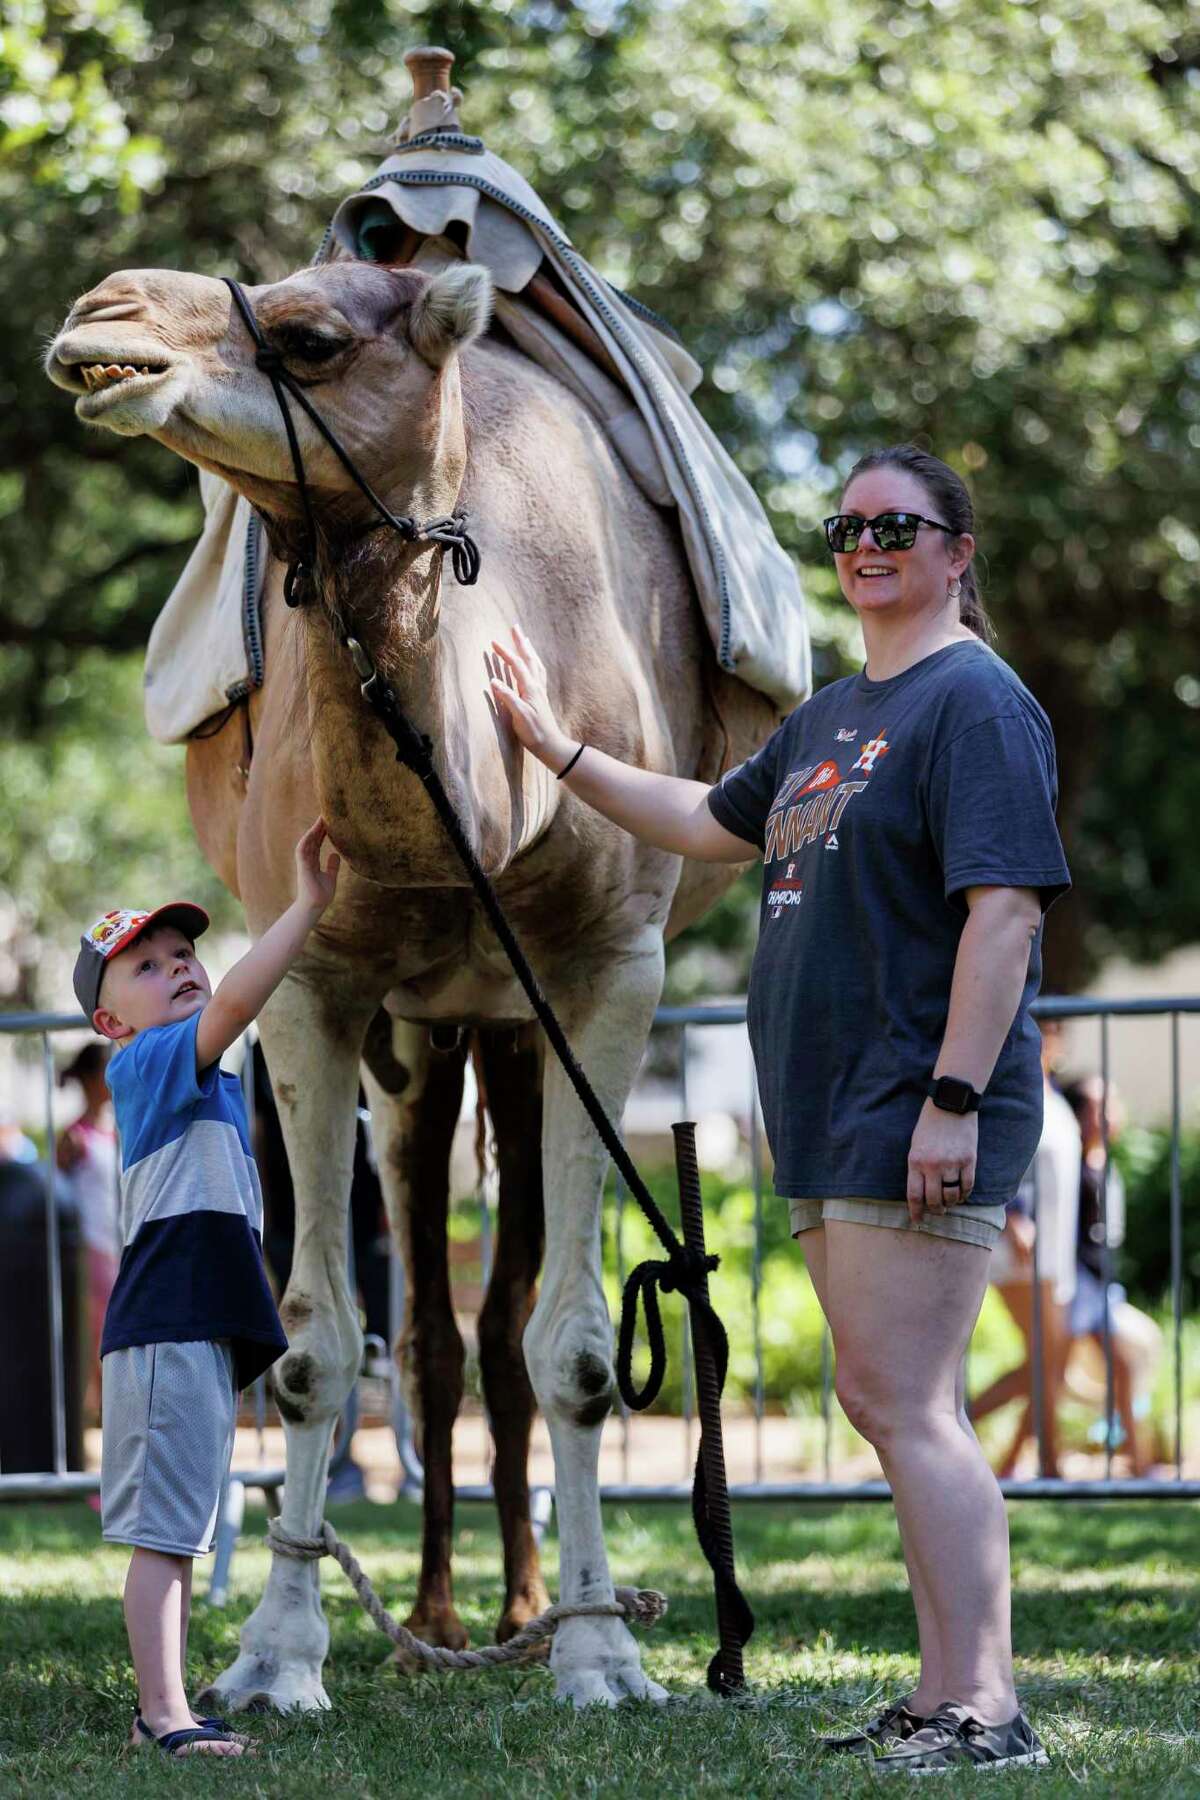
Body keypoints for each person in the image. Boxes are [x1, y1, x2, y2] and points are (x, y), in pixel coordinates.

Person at [489, 443, 1070, 1773]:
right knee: (885, 1398)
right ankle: (938, 1696)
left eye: (898, 526)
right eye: (847, 526)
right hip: (830, 1104)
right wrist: (559, 749)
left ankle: (986, 1704)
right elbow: (703, 820)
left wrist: (955, 1099)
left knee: (909, 1400)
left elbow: (1004, 918)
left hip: (912, 1099)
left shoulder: (975, 706)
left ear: (955, 551)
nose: (867, 545)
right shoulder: (828, 722)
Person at [76, 818, 340, 1758]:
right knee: (162, 1540)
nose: (179, 968)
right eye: (145, 968)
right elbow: (237, 1002)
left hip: (192, 1334)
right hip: (163, 1332)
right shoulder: (149, 1064)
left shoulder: (206, 1077)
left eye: (184, 952)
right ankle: (162, 1715)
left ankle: (168, 1704)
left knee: (180, 1533)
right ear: (110, 1023)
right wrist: (307, 905)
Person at [971, 1017, 1081, 1477]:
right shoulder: (1014, 1090)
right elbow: (1004, 1151)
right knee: (1048, 1359)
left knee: (1049, 1361)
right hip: (1021, 1251)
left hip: (1054, 1251)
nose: (1049, 1038)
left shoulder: (1054, 1094)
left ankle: (1018, 1458)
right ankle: (951, 1424)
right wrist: (1016, 1213)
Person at [1061, 1075, 1159, 1476]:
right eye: (1098, 1108)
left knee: (1042, 1378)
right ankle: (1139, 1463)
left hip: (1102, 1288)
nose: (1110, 1116)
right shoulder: (1072, 1164)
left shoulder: (1103, 1163)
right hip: (1079, 1287)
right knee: (1046, 1376)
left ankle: (1136, 1458)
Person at [56, 1042, 119, 1416]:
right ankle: (98, 1410)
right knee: (101, 1332)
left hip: (118, 1242)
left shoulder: (115, 1130)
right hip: (91, 1246)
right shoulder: (74, 1136)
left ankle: (102, 1409)